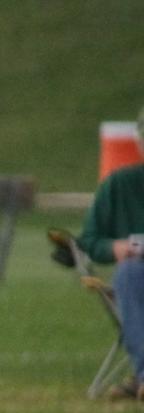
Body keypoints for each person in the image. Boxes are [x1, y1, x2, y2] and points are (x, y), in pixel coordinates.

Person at [74, 150, 144, 398]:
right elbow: (90, 240)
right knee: (128, 272)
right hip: (137, 278)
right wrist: (115, 247)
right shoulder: (120, 184)